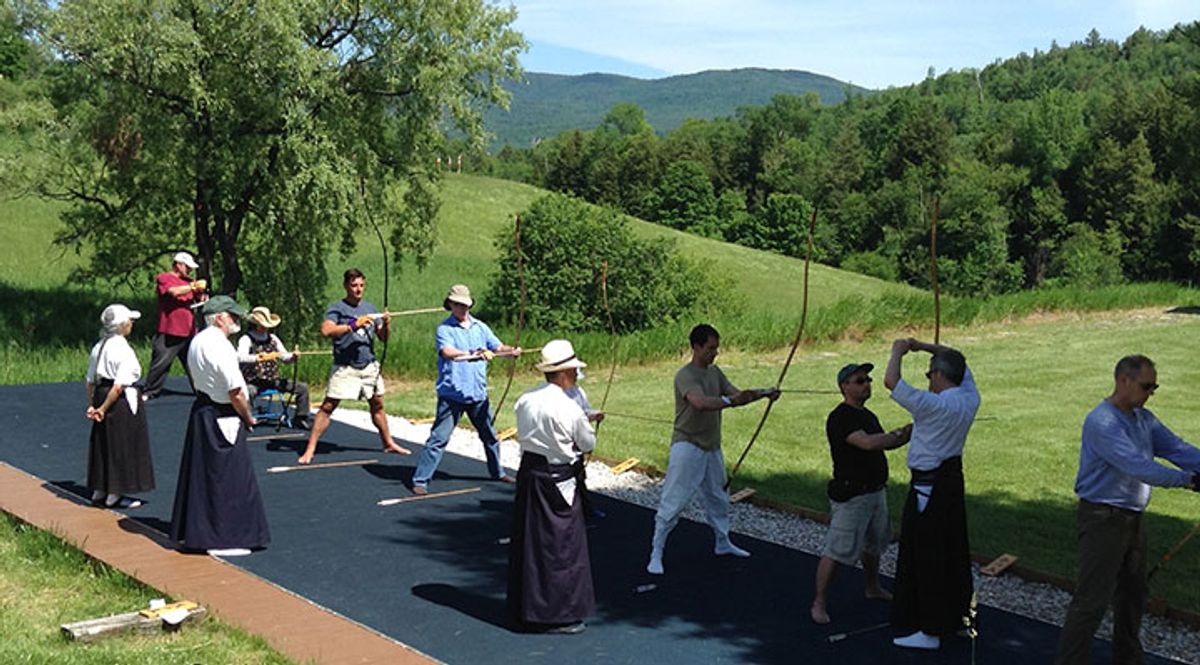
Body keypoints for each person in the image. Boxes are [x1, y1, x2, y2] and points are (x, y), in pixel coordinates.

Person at [1054, 355, 1200, 665]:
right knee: (1091, 601)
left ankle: (1128, 660)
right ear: (1124, 381)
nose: (1151, 393)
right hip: (1102, 519)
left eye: (1154, 387)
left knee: (1133, 597)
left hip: (1133, 518)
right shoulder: (1102, 422)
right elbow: (1138, 466)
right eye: (1147, 386)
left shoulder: (1143, 419)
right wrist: (1189, 480)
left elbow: (1177, 448)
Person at [646, 323, 779, 576]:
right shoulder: (685, 375)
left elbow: (737, 394)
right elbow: (700, 402)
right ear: (696, 347)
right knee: (674, 500)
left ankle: (722, 542)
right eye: (710, 348)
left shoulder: (715, 372)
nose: (715, 353)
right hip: (687, 445)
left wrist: (764, 393)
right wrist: (731, 401)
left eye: (716, 348)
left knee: (718, 498)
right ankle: (656, 552)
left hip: (711, 446)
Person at [883, 337, 980, 650]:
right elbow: (956, 359)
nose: (927, 380)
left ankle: (930, 629)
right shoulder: (970, 396)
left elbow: (891, 381)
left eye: (929, 374)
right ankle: (958, 618)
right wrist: (922, 346)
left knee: (928, 556)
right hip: (951, 484)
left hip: (929, 488)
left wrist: (899, 349)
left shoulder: (933, 405)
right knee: (953, 551)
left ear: (938, 374)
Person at [507, 340, 599, 635]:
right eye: (572, 370)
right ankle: (557, 614)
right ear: (564, 373)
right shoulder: (568, 407)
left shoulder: (526, 398)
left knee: (529, 541)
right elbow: (587, 443)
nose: (575, 375)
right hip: (558, 477)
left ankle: (526, 607)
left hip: (529, 474)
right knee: (562, 546)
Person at [810, 362, 911, 624]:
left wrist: (905, 433)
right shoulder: (841, 417)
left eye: (868, 380)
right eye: (860, 380)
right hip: (852, 495)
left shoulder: (868, 415)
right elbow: (868, 443)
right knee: (837, 549)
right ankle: (819, 601)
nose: (867, 384)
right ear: (844, 386)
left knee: (874, 544)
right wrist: (902, 433)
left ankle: (872, 586)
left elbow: (881, 441)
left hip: (876, 492)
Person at [169, 296, 270, 556]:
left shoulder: (197, 340)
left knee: (205, 476)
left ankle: (201, 531)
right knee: (229, 479)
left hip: (203, 409)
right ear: (219, 318)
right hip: (222, 413)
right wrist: (247, 416)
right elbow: (235, 391)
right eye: (232, 315)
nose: (236, 320)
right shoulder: (220, 345)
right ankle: (224, 539)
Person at [411, 284, 520, 495]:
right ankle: (420, 480)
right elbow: (447, 352)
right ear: (450, 305)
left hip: (477, 394)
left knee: (490, 436)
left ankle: (497, 472)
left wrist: (511, 351)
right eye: (458, 304)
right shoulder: (444, 329)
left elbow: (498, 347)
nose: (462, 308)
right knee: (438, 439)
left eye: (465, 305)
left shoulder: (481, 327)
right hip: (452, 394)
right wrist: (474, 353)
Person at [297, 268, 410, 464]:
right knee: (328, 406)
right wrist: (353, 325)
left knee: (377, 404)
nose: (358, 289)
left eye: (361, 285)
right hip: (345, 366)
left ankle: (388, 442)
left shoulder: (369, 307)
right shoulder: (337, 308)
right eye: (354, 285)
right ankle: (310, 449)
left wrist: (386, 324)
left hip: (369, 365)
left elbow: (383, 338)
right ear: (346, 286)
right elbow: (326, 330)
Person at [84, 304, 155, 509]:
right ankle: (114, 494)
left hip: (101, 393)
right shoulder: (123, 349)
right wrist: (103, 408)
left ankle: (100, 489)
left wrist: (93, 405)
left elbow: (90, 381)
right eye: (129, 321)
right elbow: (118, 385)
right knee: (122, 444)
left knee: (103, 443)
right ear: (122, 324)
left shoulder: (99, 346)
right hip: (118, 400)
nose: (131, 324)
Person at [143, 251, 207, 399]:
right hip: (170, 329)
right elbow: (173, 292)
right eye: (187, 267)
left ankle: (202, 390)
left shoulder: (188, 281)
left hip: (189, 330)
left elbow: (198, 297)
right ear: (178, 265)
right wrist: (193, 286)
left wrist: (202, 296)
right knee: (161, 362)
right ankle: (149, 391)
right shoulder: (164, 278)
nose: (189, 270)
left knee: (194, 363)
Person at [236, 306, 310, 429]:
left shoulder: (273, 338)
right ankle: (246, 419)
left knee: (302, 387)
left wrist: (293, 356)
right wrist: (258, 358)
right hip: (253, 380)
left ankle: (300, 418)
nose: (265, 327)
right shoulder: (246, 339)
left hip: (273, 379)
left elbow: (284, 357)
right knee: (249, 392)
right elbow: (240, 357)